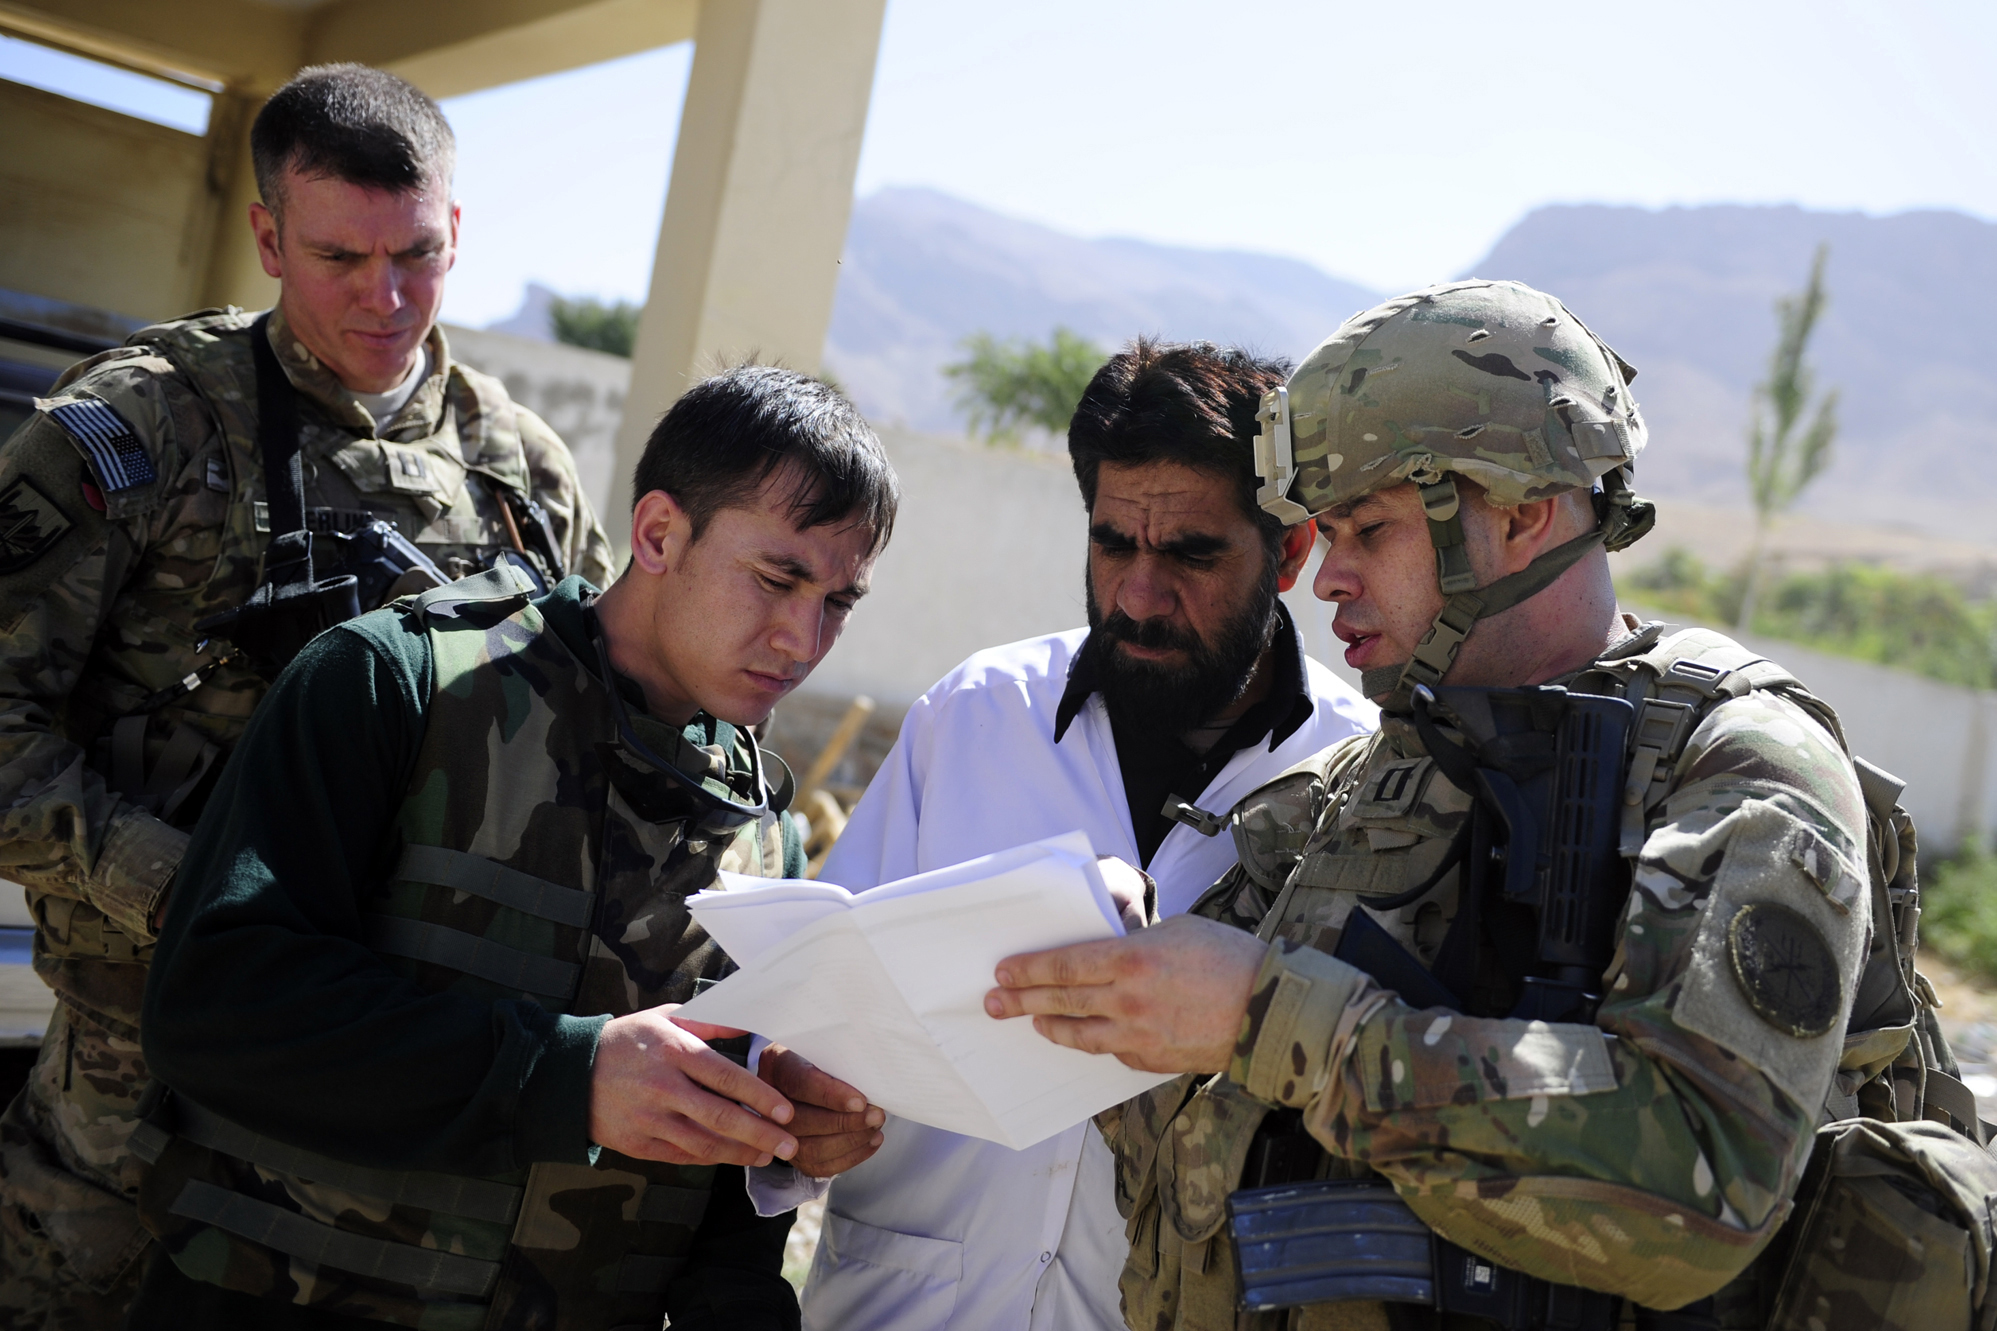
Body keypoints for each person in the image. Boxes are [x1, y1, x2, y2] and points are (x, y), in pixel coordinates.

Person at [987, 281, 1906, 1329]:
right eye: (1323, 533)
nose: (1325, 579)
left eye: (1367, 530)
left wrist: (1271, 1018)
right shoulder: (1374, 777)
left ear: (1520, 515)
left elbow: (1704, 1177)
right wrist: (1122, 960)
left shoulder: (1736, 769)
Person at [0, 62, 614, 1326]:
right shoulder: (146, 432)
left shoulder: (523, 474)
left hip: (388, 1098)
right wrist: (177, 883)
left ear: (459, 232)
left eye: (418, 255)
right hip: (140, 1073)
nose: (385, 297)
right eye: (340, 256)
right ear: (267, 236)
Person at [128, 364, 896, 1328]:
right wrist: (564, 1076)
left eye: (838, 602)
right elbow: (214, 1001)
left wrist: (781, 1123)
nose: (802, 636)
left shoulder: (764, 837)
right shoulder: (395, 681)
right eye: (778, 578)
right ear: (659, 533)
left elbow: (721, 1226)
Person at [795, 340, 1376, 1330]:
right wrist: (801, 1093)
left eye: (1190, 553)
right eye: (1112, 544)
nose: (1138, 596)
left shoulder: (1362, 782)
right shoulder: (976, 715)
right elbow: (816, 999)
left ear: (1288, 551)